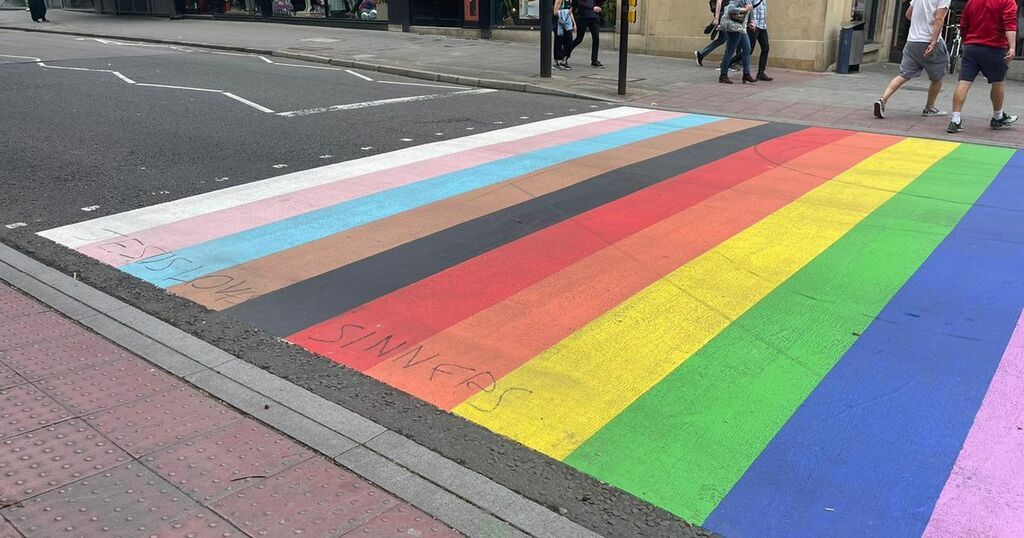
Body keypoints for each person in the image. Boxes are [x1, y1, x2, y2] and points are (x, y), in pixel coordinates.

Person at [948, 0, 1018, 133]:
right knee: (998, 83)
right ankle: (998, 116)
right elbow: (1010, 24)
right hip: (994, 48)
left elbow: (964, 23)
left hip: (972, 47)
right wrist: (1012, 47)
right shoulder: (1007, 1)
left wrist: (966, 39)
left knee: (963, 82)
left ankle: (955, 119)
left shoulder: (973, 1)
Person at [873, 0, 951, 119]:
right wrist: (934, 41)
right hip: (928, 40)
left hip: (913, 40)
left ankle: (883, 99)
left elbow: (908, 14)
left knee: (904, 74)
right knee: (937, 77)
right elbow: (939, 18)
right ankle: (929, 108)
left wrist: (918, 25)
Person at [719, 0, 756, 84]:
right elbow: (730, 9)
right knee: (730, 50)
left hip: (742, 28)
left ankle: (746, 74)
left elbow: (750, 10)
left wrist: (752, 22)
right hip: (734, 27)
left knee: (747, 49)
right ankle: (723, 75)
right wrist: (744, 9)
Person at [568, 0, 604, 68]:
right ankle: (566, 54)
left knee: (596, 38)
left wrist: (598, 8)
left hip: (594, 17)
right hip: (583, 17)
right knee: (579, 39)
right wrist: (592, 8)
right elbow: (579, 3)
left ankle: (594, 60)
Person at [696, 0, 727, 66]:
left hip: (724, 16)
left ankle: (701, 54)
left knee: (722, 40)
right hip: (724, 16)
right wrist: (716, 18)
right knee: (730, 39)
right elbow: (719, 2)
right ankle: (727, 63)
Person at [749, 0, 772, 80]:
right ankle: (728, 63)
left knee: (765, 48)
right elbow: (748, 9)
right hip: (754, 26)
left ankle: (761, 73)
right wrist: (751, 22)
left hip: (762, 26)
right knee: (749, 51)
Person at [554, 0, 576, 70]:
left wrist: (574, 23)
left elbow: (570, 12)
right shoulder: (559, 0)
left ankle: (564, 61)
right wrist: (566, 12)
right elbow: (555, 13)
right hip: (559, 24)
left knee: (569, 42)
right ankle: (556, 62)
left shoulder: (569, 1)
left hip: (567, 24)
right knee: (558, 42)